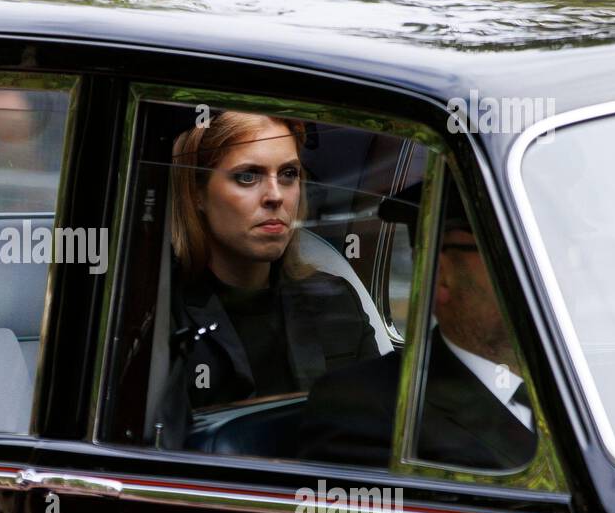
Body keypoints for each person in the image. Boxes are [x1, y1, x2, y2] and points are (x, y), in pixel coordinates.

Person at [153, 111, 382, 447]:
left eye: (289, 174)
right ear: (196, 193)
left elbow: (375, 431)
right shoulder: (159, 314)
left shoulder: (335, 300)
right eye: (248, 176)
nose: (275, 195)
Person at [296, 182, 536, 471]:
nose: (547, 273)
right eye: (517, 251)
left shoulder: (587, 385)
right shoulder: (367, 410)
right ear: (442, 274)